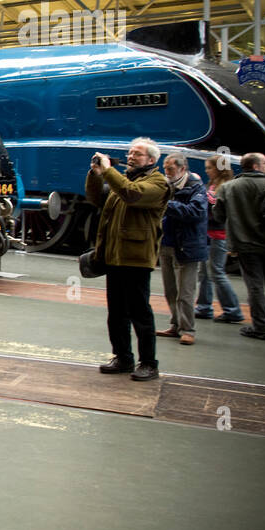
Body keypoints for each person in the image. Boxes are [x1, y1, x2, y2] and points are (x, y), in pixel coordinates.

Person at [88, 138, 170, 380]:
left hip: (136, 259)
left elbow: (132, 196)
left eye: (138, 154)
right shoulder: (123, 182)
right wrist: (95, 174)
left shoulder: (158, 183)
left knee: (140, 312)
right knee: (117, 313)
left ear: (152, 160)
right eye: (130, 153)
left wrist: (110, 171)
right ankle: (123, 357)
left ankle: (149, 363)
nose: (131, 157)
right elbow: (96, 198)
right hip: (115, 257)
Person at [215, 152, 265, 340]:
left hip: (244, 244)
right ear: (257, 166)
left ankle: (260, 327)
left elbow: (218, 215)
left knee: (255, 286)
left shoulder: (228, 187)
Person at [156, 152, 208, 345]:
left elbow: (196, 212)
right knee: (170, 290)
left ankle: (188, 330)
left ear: (182, 168)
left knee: (185, 292)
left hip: (187, 247)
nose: (166, 172)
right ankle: (176, 324)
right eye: (165, 168)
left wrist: (167, 205)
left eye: (170, 168)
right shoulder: (166, 186)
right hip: (167, 244)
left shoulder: (196, 188)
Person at [194, 155, 245, 324]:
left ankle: (232, 310)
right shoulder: (215, 186)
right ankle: (203, 306)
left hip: (217, 235)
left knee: (216, 272)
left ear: (218, 169)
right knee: (205, 273)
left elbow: (221, 214)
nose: (207, 171)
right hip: (209, 234)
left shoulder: (224, 188)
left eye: (209, 168)